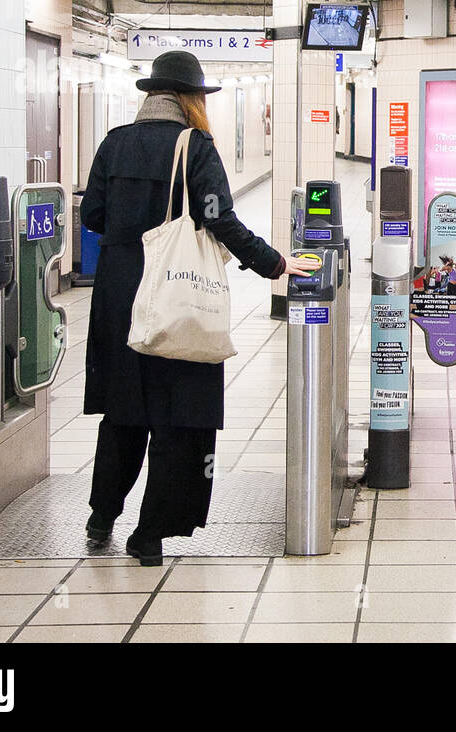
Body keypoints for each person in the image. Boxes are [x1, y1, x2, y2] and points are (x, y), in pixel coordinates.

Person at [79, 50, 306, 567]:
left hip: (120, 299)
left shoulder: (114, 143)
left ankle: (101, 518)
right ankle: (150, 535)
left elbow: (92, 213)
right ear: (189, 100)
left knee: (124, 412)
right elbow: (219, 219)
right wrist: (274, 264)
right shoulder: (195, 145)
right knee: (178, 416)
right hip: (179, 297)